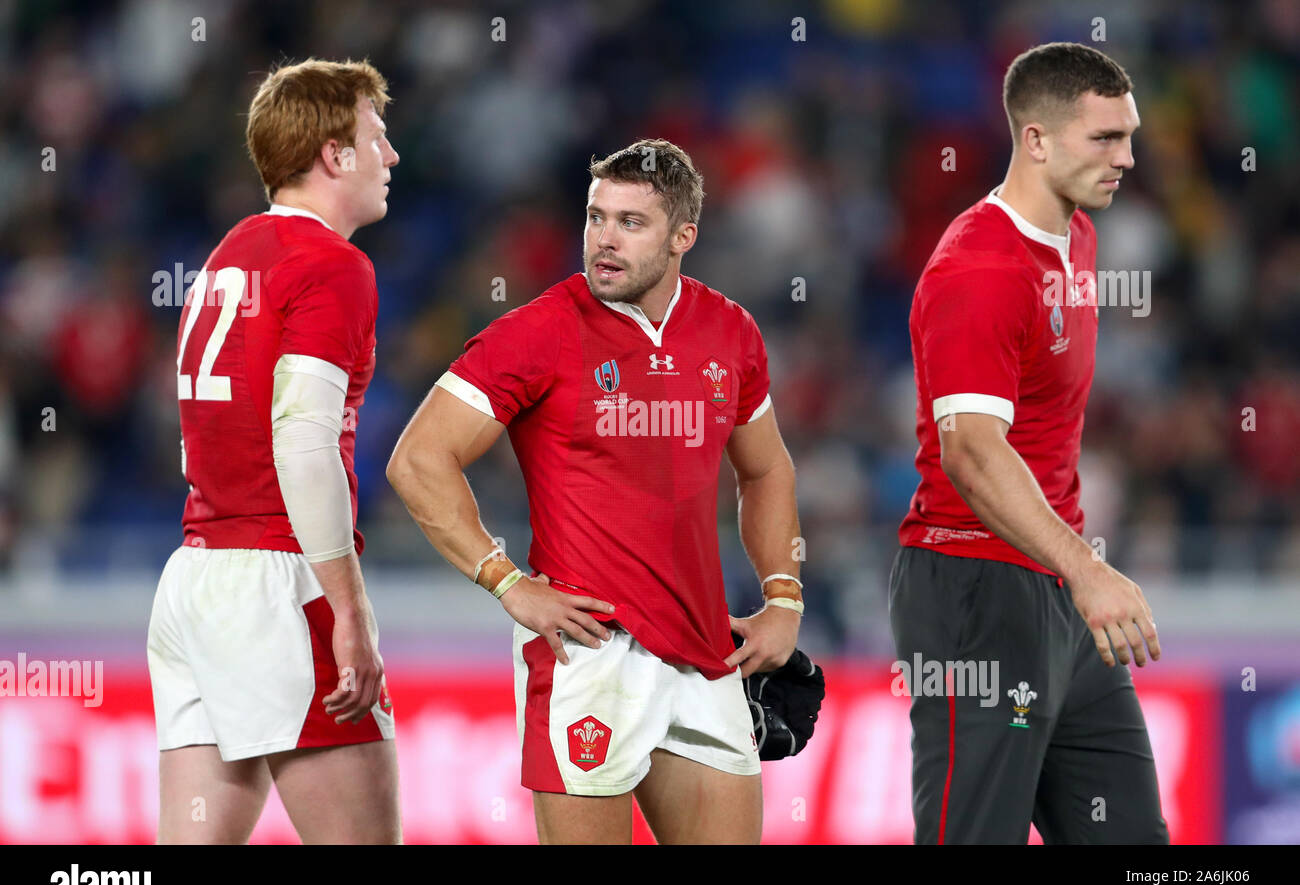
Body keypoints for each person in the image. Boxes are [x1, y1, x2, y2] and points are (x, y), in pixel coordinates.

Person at [387, 139, 804, 844]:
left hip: (706, 654)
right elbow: (418, 459)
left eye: (630, 223)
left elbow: (766, 469)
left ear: (683, 237)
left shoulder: (731, 331)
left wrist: (784, 598)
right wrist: (506, 581)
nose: (604, 239)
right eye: (595, 217)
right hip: (590, 654)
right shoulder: (538, 331)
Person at [890, 41, 1169, 844]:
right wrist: (1088, 571)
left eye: (1129, 135)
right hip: (973, 595)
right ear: (1037, 140)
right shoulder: (977, 268)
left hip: (1057, 590)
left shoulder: (1077, 236)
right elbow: (971, 453)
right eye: (1105, 139)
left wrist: (1073, 572)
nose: (1127, 157)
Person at [147, 58, 402, 844]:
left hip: (194, 577)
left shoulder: (228, 255)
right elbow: (302, 444)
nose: (391, 155)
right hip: (278, 581)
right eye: (376, 135)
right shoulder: (331, 266)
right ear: (335, 154)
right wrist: (350, 608)